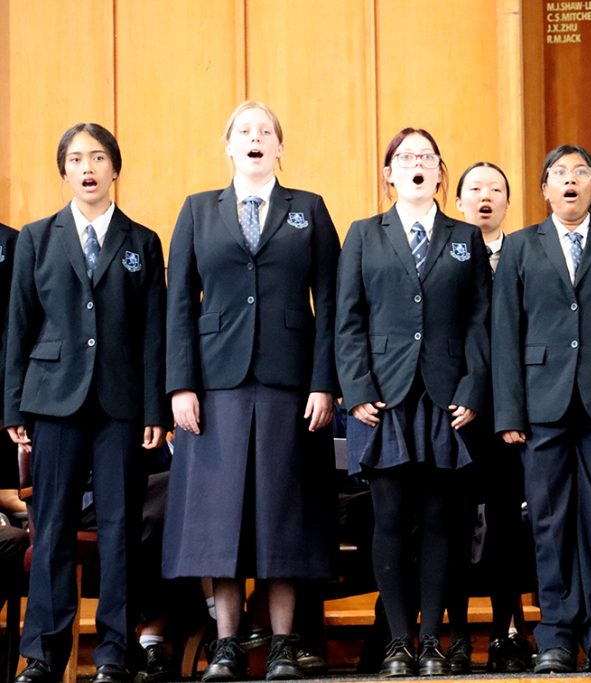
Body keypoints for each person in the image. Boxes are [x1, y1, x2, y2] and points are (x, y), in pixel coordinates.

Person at [162, 101, 339, 682]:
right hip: (215, 387)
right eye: (245, 131)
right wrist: (180, 385)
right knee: (222, 518)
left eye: (266, 132)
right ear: (229, 145)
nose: (255, 138)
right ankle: (228, 644)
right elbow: (180, 305)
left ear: (280, 148)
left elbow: (332, 304)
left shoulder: (308, 209)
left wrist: (324, 383)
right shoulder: (197, 210)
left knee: (282, 514)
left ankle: (285, 644)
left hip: (292, 386)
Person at [5, 123, 166, 683]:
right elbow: (19, 326)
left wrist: (154, 411)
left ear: (115, 168)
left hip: (121, 405)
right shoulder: (37, 237)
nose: (88, 167)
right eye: (77, 159)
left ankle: (115, 654)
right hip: (52, 400)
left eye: (98, 156)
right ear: (65, 171)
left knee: (122, 528)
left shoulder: (143, 242)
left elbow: (153, 336)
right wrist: (13, 409)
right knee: (50, 528)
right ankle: (44, 655)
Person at [336, 128, 491, 677]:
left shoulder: (464, 237)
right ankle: (399, 640)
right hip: (382, 398)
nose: (415, 164)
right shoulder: (363, 234)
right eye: (405, 157)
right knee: (391, 518)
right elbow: (348, 321)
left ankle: (431, 641)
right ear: (389, 173)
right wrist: (356, 391)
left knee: (441, 520)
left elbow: (479, 321)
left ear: (440, 171)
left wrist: (473, 387)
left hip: (448, 399)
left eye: (425, 156)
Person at [492, 144, 591, 674]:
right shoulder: (520, 246)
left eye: (582, 172)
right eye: (560, 174)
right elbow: (504, 331)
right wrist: (509, 412)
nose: (572, 181)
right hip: (541, 406)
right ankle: (555, 634)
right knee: (550, 522)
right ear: (545, 189)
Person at [450, 161, 536, 674]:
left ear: (508, 201)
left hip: (514, 410)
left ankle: (509, 629)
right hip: (459, 409)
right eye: (475, 189)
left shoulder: (524, 251)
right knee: (455, 521)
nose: (486, 197)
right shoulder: (445, 251)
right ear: (458, 201)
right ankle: (457, 632)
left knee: (508, 523)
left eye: (496, 189)